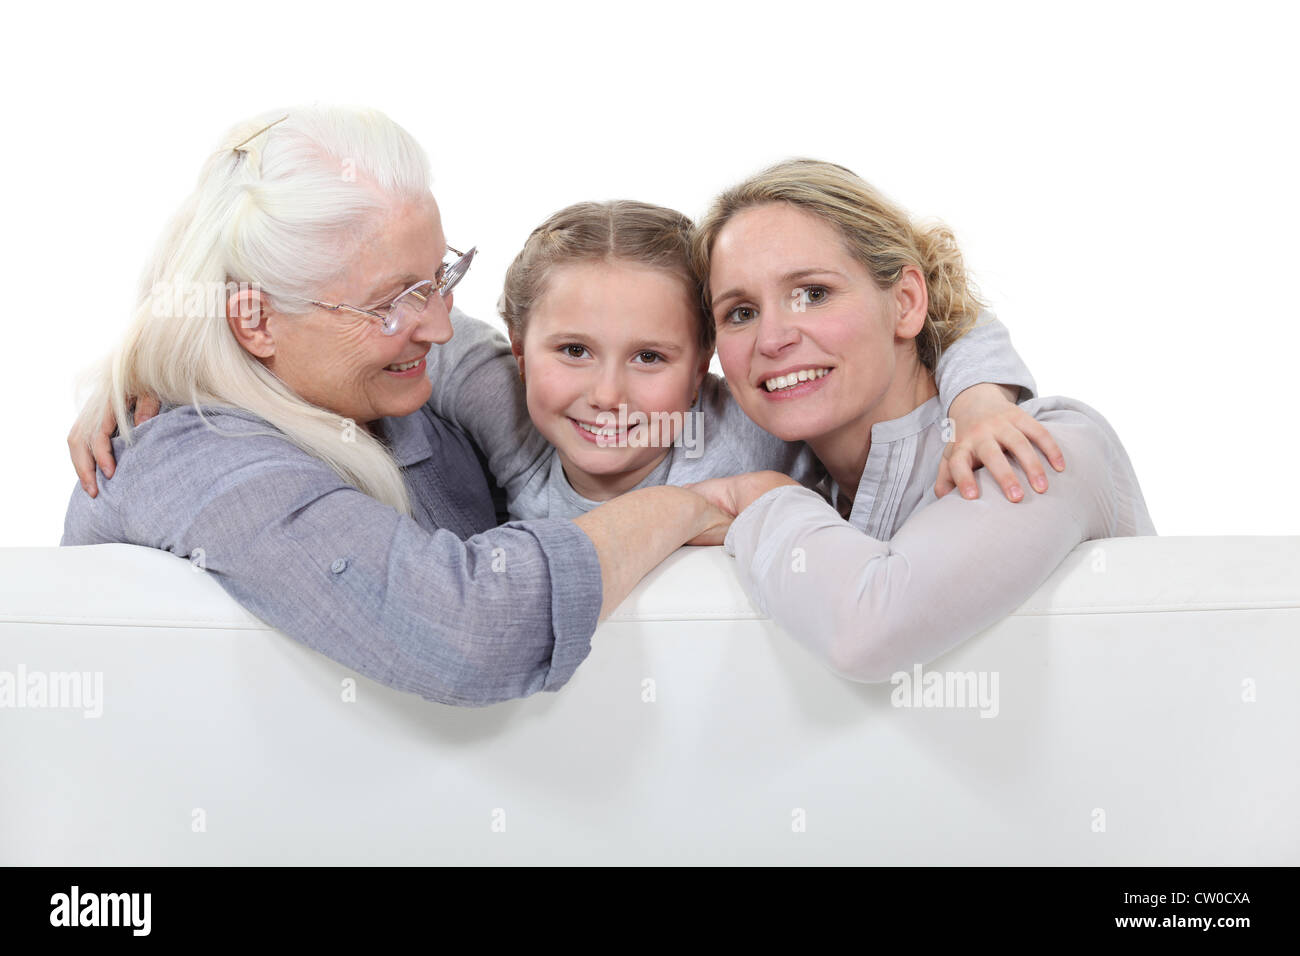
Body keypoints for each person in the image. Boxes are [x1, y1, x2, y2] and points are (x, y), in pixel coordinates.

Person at [60, 105, 732, 707]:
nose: (440, 326)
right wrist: (692, 505)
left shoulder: (379, 383)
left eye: (438, 279)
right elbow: (469, 630)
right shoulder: (195, 461)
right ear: (255, 321)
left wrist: (158, 349)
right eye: (390, 303)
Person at [685, 159, 1155, 682]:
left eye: (813, 294)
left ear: (906, 302)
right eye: (741, 313)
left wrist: (761, 498)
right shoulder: (809, 488)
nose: (771, 340)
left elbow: (867, 634)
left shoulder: (1048, 446)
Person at [398, 199, 1052, 519]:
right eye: (573, 351)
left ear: (705, 360)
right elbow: (421, 324)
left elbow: (937, 322)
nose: (605, 394)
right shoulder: (512, 417)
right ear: (518, 349)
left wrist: (980, 404)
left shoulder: (744, 428)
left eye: (650, 357)